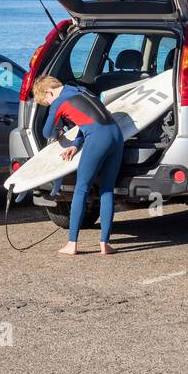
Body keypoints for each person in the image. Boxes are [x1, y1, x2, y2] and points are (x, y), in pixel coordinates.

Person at [32, 74, 125, 256]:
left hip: (98, 138)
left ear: (49, 93)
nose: (50, 105)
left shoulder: (58, 102)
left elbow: (46, 132)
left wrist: (59, 129)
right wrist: (76, 144)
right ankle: (105, 244)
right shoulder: (82, 90)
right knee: (107, 189)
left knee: (81, 189)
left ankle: (72, 244)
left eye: (46, 102)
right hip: (116, 135)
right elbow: (88, 120)